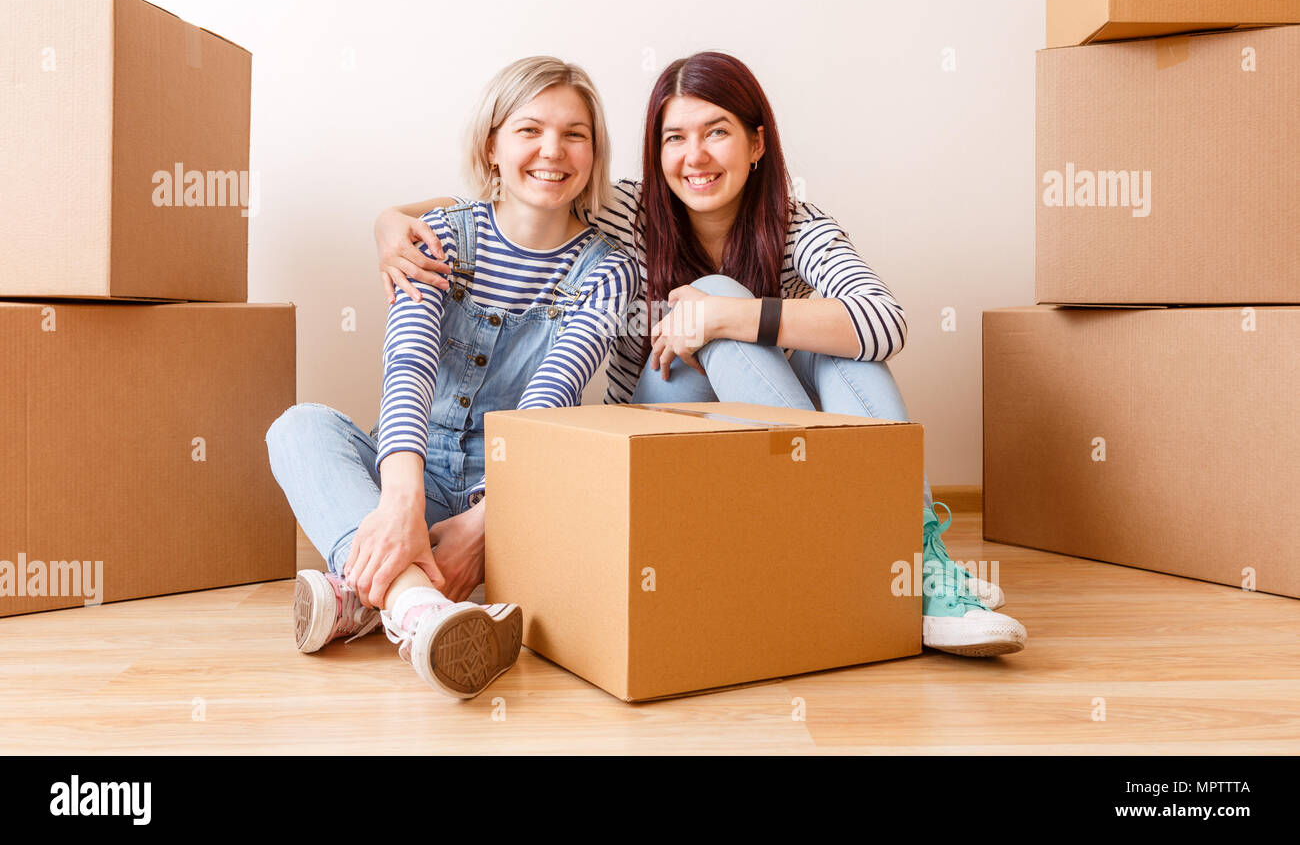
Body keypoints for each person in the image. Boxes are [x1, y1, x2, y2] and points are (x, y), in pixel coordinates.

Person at [374, 51, 1026, 658]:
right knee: (725, 300)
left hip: (773, 440)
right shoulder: (623, 213)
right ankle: (878, 557)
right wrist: (390, 220)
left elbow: (885, 321)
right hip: (669, 439)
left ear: (757, 143)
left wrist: (726, 313)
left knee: (844, 350)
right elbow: (509, 198)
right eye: (674, 138)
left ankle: (916, 560)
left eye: (716, 132)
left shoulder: (798, 225)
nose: (696, 156)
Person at [265, 56, 639, 698]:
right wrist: (402, 501)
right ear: (493, 143)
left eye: (575, 134)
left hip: (517, 491)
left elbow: (548, 406)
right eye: (530, 130)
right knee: (299, 428)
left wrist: (484, 525)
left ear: (594, 153)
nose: (553, 151)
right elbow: (407, 367)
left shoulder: (609, 272)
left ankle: (358, 598)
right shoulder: (438, 235)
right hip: (414, 470)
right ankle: (422, 612)